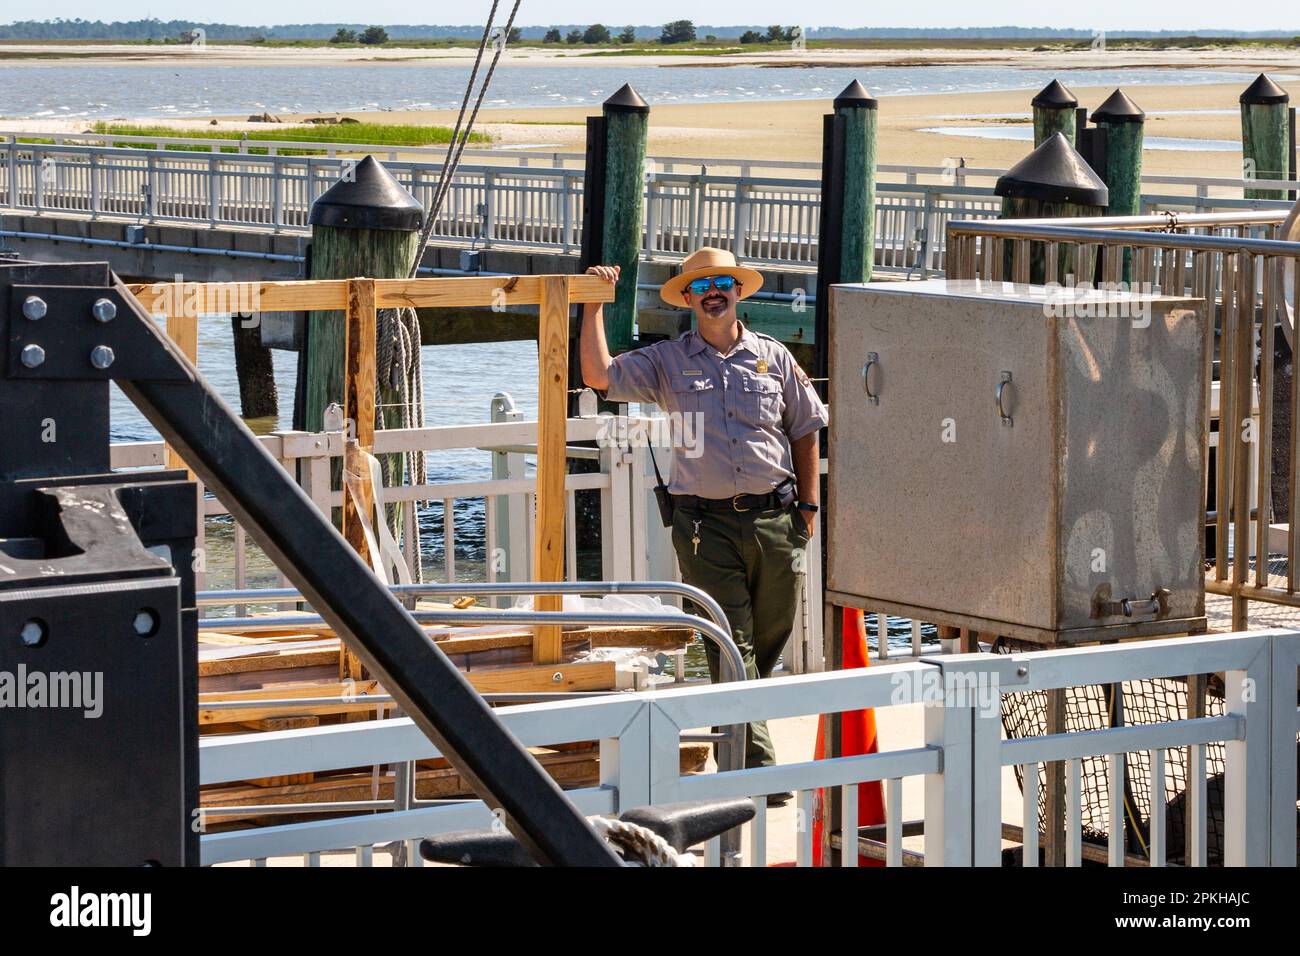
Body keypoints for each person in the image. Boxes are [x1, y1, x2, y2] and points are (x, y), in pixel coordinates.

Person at [580, 247, 828, 794]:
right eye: (701, 285)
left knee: (766, 641)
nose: (713, 291)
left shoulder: (774, 356)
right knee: (729, 642)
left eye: (723, 282)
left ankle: (736, 739)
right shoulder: (666, 361)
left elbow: (806, 427)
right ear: (688, 297)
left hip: (776, 520)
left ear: (738, 291)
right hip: (703, 526)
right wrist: (595, 306)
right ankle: (757, 770)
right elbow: (599, 375)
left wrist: (808, 508)